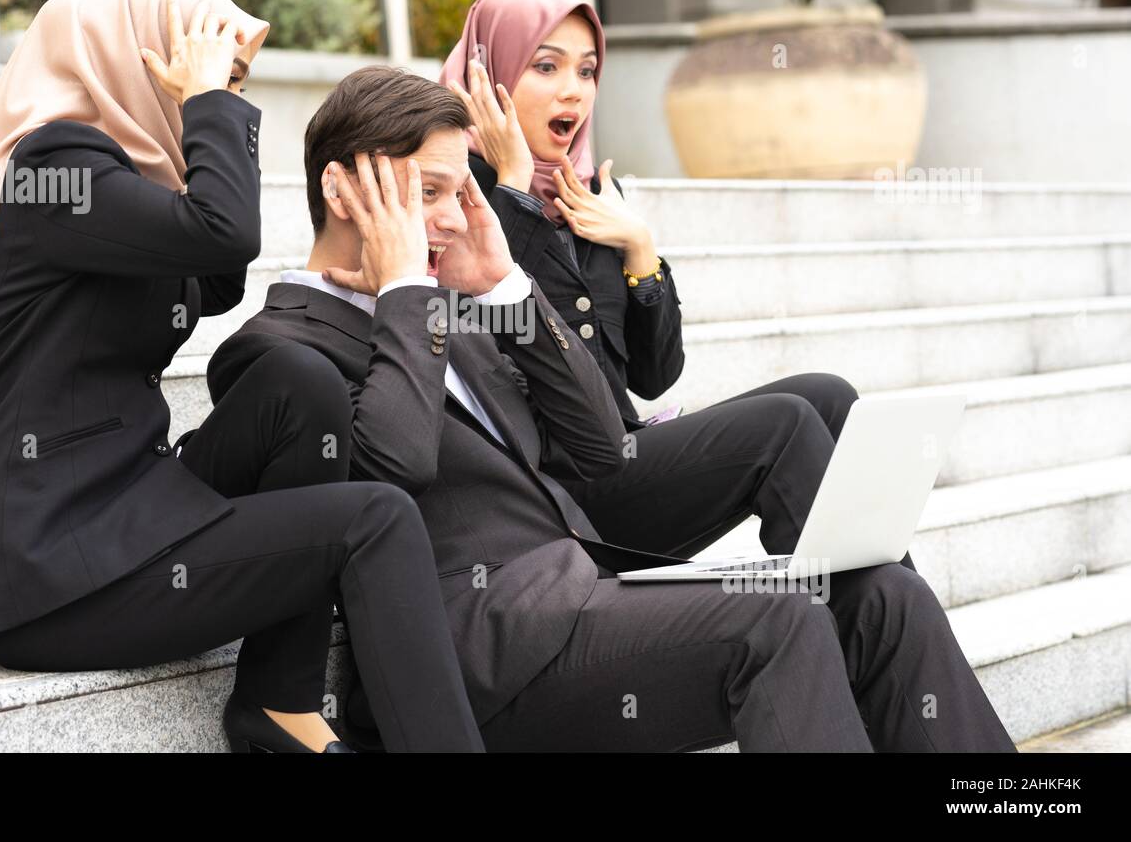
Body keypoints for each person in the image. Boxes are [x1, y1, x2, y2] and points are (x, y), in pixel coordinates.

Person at [206, 65, 1017, 752]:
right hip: (486, 656)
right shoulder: (278, 350)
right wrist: (405, 292)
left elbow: (600, 446)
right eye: (430, 193)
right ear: (342, 189)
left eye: (462, 192)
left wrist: (506, 289)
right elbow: (400, 461)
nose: (454, 217)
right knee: (776, 621)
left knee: (884, 597)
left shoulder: (452, 311)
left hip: (587, 592)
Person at [0, 0, 483, 753]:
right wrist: (207, 106)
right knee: (375, 518)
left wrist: (376, 265)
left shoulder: (123, 188)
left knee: (299, 383)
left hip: (130, 510)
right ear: (130, 56)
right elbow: (227, 235)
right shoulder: (50, 170)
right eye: (215, 76)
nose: (225, 93)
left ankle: (277, 704)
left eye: (235, 81)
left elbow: (220, 277)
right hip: (53, 568)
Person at [440, 0, 897, 568]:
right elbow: (492, 329)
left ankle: (879, 618)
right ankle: (868, 630)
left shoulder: (591, 194)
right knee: (784, 426)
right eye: (546, 67)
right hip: (552, 496)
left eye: (587, 71)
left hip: (627, 460)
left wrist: (640, 251)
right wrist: (512, 184)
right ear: (486, 75)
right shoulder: (456, 198)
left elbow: (656, 375)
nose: (573, 92)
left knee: (830, 397)